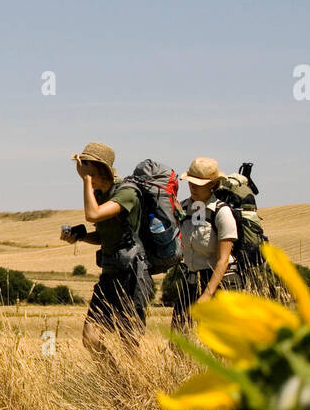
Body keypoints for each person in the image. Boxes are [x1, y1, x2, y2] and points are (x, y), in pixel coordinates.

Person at [60, 142, 153, 369]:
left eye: (84, 164)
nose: (79, 168)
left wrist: (86, 182)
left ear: (98, 167)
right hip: (109, 275)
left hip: (132, 274)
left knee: (129, 342)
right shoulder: (100, 194)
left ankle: (141, 387)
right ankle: (117, 382)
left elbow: (93, 215)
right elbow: (105, 236)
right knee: (90, 338)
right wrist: (80, 237)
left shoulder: (127, 193)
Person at [169, 156, 242, 329]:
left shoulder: (222, 212)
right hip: (192, 280)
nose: (192, 186)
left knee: (219, 342)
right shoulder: (184, 208)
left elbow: (223, 260)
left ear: (212, 184)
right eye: (190, 182)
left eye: (198, 183)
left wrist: (208, 293)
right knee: (178, 338)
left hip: (222, 282)